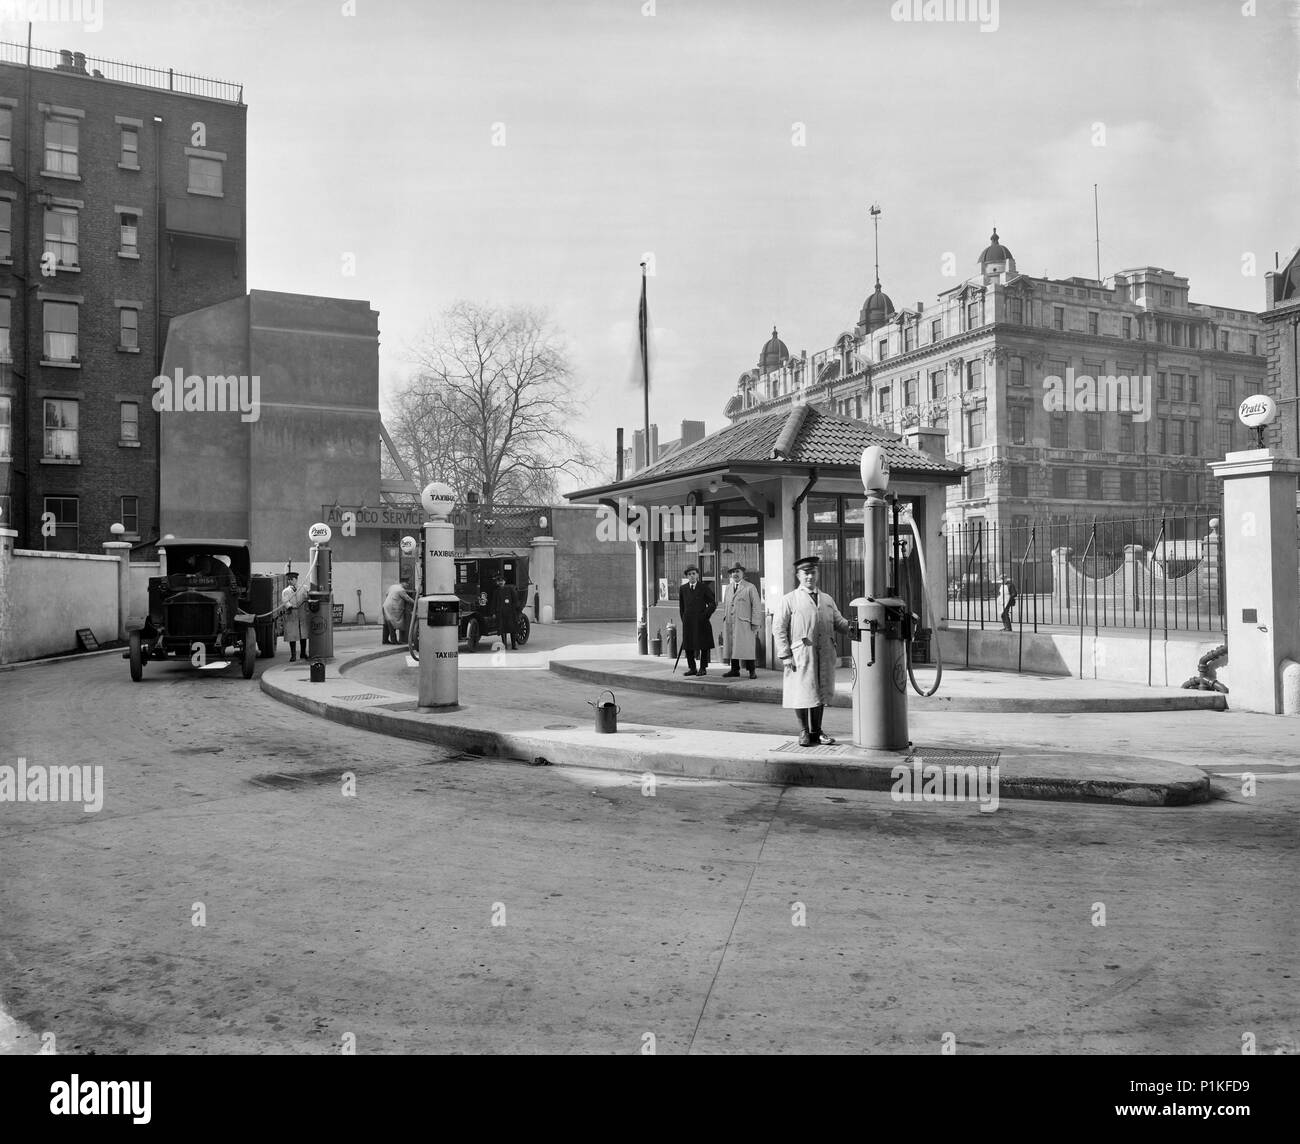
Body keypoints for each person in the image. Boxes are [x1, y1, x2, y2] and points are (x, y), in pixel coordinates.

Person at [774, 555, 853, 747]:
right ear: (798, 575)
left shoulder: (827, 599)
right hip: (800, 655)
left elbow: (839, 622)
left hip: (824, 654)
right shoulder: (789, 600)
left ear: (817, 573)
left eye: (813, 572)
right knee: (801, 692)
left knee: (820, 692)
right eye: (806, 573)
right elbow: (779, 628)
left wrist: (858, 627)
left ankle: (817, 732)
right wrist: (785, 654)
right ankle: (804, 731)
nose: (810, 577)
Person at [719, 563, 762, 679]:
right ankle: (734, 670)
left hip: (745, 623)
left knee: (747, 647)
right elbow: (726, 605)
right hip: (730, 622)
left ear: (743, 573)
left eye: (737, 571)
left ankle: (752, 670)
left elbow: (756, 606)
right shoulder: (728, 588)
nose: (735, 574)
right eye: (733, 572)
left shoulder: (750, 587)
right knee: (733, 647)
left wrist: (755, 623)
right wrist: (725, 619)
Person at [678, 565, 716, 677]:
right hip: (688, 622)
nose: (692, 576)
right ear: (687, 576)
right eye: (689, 574)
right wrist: (684, 619)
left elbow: (713, 603)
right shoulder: (683, 588)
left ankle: (703, 668)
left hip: (702, 621)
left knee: (703, 645)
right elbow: (681, 607)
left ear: (698, 575)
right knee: (688, 645)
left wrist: (705, 615)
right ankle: (692, 668)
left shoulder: (703, 587)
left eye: (694, 573)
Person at [280, 570, 310, 662]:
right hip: (292, 613)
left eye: (291, 579)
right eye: (288, 580)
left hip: (302, 613)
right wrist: (289, 606)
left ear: (296, 579)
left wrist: (307, 597)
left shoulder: (304, 588)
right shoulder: (285, 591)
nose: (289, 581)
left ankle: (303, 653)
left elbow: (308, 596)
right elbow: (285, 601)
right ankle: (293, 655)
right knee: (292, 635)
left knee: (303, 634)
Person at [383, 578, 415, 647]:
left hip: (385, 605)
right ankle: (394, 641)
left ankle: (384, 640)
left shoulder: (392, 586)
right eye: (407, 584)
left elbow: (386, 594)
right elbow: (407, 598)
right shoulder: (401, 590)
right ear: (403, 583)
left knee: (386, 623)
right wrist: (416, 603)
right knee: (392, 623)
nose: (407, 586)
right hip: (392, 607)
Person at [493, 574, 520, 650]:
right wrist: (494, 613)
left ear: (504, 581)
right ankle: (504, 646)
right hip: (501, 613)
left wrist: (514, 609)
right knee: (502, 630)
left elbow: (515, 600)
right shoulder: (496, 591)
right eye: (499, 581)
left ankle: (513, 646)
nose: (500, 582)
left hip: (510, 612)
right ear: (497, 583)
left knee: (513, 629)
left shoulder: (510, 589)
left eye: (502, 581)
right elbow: (494, 603)